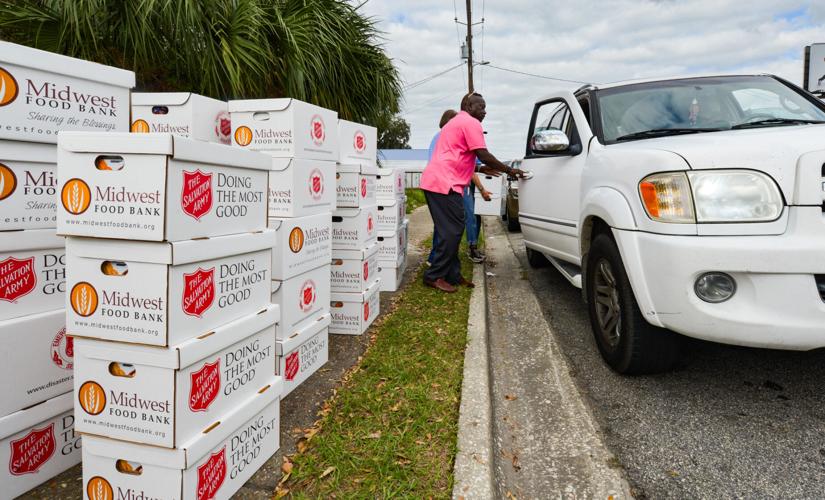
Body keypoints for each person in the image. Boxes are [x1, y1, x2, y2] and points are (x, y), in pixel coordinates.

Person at [419, 92, 525, 293]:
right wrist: (509, 170)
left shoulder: (456, 122)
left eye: (485, 107)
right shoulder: (471, 123)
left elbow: (456, 155)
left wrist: (479, 169)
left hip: (437, 181)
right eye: (480, 107)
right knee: (452, 230)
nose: (484, 112)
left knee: (449, 230)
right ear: (468, 106)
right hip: (444, 183)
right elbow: (483, 154)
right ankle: (434, 276)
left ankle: (452, 274)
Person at [426, 110, 492, 266]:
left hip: (444, 184)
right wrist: (482, 188)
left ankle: (442, 262)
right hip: (450, 185)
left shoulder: (441, 137)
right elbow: (459, 165)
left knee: (446, 225)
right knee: (461, 221)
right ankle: (441, 262)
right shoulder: (448, 137)